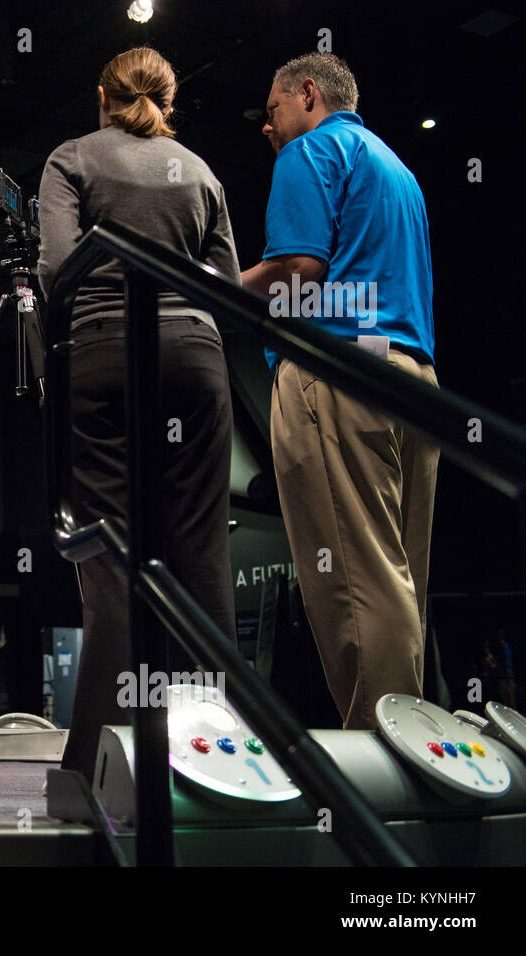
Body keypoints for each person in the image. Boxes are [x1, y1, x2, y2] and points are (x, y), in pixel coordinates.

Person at [37, 47, 239, 780]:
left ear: (102, 96)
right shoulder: (203, 173)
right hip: (195, 356)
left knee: (111, 556)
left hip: (105, 356)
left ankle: (96, 759)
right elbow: (225, 284)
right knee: (202, 557)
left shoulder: (73, 158)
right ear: (169, 99)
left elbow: (58, 270)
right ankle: (223, 759)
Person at [240, 53, 438, 730]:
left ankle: (386, 772)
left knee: (354, 582)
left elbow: (298, 268)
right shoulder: (398, 170)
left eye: (271, 112)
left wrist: (209, 289)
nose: (269, 128)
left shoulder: (310, 150)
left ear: (305, 94)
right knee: (397, 578)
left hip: (337, 374)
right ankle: (418, 752)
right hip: (413, 383)